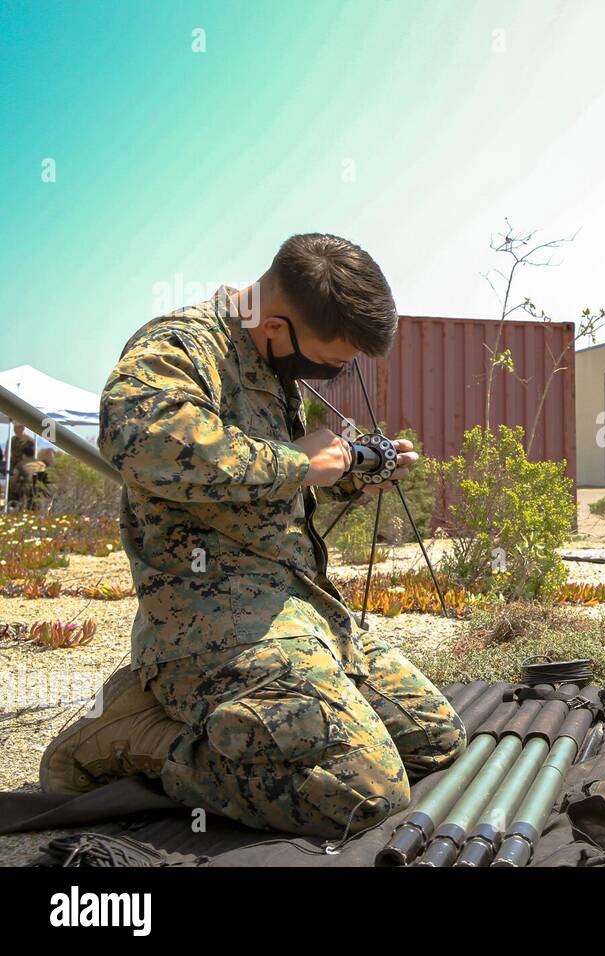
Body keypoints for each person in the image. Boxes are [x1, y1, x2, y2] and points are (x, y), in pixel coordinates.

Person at [41, 234, 466, 837]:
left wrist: (347, 476)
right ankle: (131, 735)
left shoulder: (269, 362)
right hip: (211, 624)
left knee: (437, 739)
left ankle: (231, 721)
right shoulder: (180, 346)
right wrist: (300, 461)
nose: (337, 374)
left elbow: (248, 491)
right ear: (273, 324)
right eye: (333, 360)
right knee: (363, 791)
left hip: (301, 610)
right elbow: (144, 443)